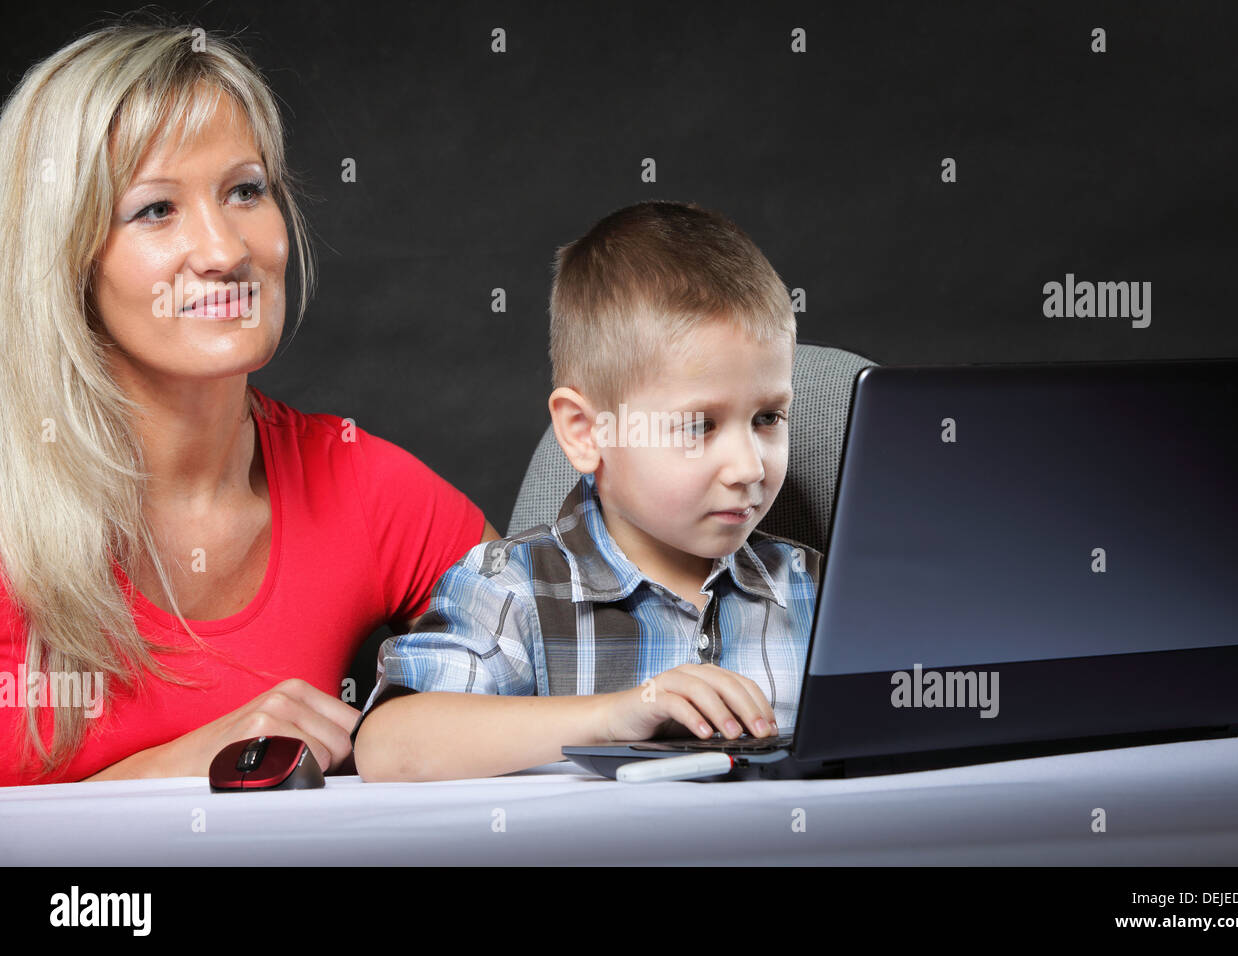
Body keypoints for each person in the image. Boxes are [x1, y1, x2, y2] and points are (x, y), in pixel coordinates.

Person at [0, 19, 499, 786]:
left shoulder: (356, 482)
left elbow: (564, 649)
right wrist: (178, 771)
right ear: (62, 258)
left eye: (245, 190)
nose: (227, 250)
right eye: (156, 209)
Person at [353, 200, 821, 781]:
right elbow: (388, 746)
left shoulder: (819, 590)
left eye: (768, 418)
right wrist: (614, 716)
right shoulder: (512, 589)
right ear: (585, 432)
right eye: (700, 425)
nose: (749, 466)